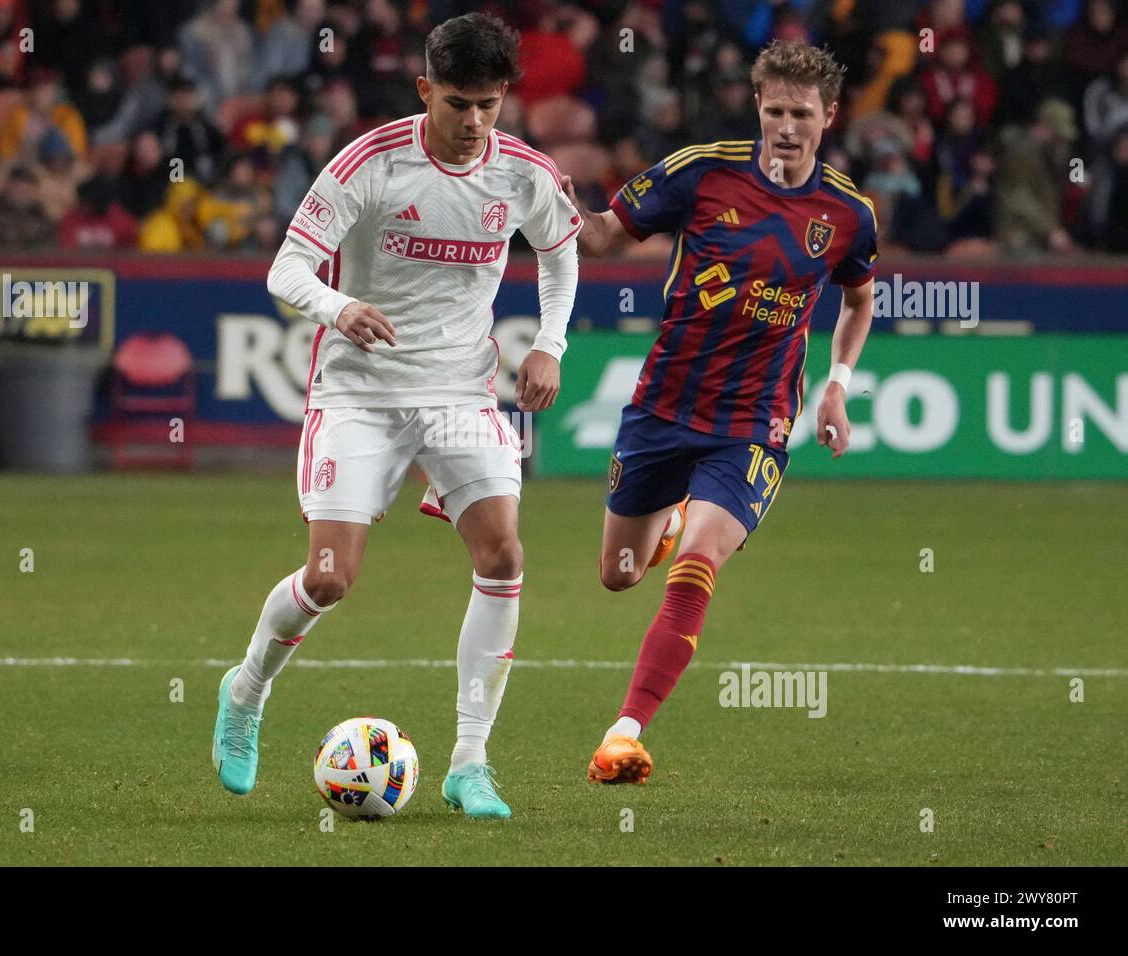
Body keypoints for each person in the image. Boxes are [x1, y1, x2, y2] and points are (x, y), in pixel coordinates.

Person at [216, 12, 580, 819]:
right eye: (458, 103)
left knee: (504, 552)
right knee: (329, 578)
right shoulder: (369, 164)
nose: (474, 122)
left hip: (459, 392)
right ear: (425, 90)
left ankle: (469, 762)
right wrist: (339, 307)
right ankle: (245, 692)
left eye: (489, 104)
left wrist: (550, 343)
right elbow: (287, 267)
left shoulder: (523, 174)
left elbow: (560, 253)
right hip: (361, 391)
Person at [560, 39, 878, 783]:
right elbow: (604, 236)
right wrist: (536, 193)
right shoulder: (702, 172)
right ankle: (667, 521)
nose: (787, 127)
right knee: (618, 573)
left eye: (802, 113)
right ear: (757, 106)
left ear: (829, 116)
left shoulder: (848, 213)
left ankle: (624, 731)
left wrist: (839, 383)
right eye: (775, 111)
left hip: (755, 422)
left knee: (699, 563)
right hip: (662, 409)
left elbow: (859, 298)